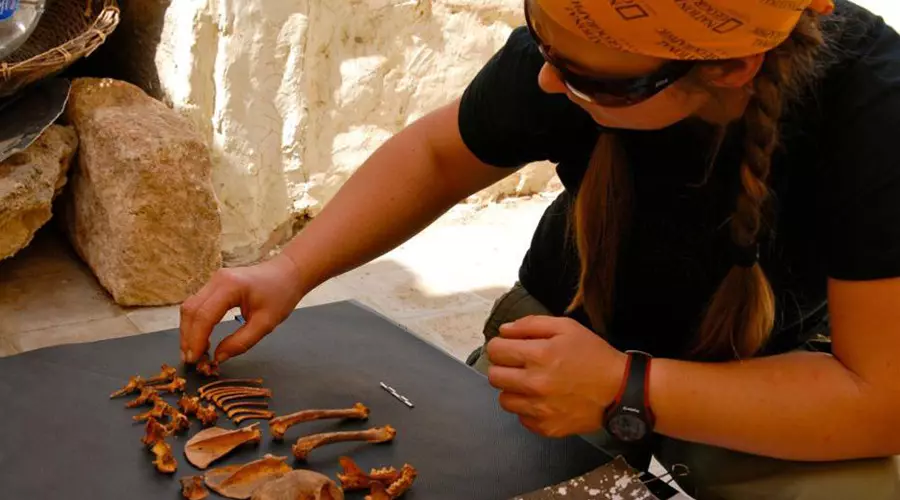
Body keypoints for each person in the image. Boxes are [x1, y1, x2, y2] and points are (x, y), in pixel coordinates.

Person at [180, 0, 900, 497]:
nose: (548, 82)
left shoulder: (874, 108)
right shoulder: (580, 39)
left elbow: (880, 401)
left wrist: (628, 389)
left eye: (581, 78)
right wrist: (290, 267)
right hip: (561, 347)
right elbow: (439, 154)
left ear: (730, 67)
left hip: (766, 385)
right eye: (542, 41)